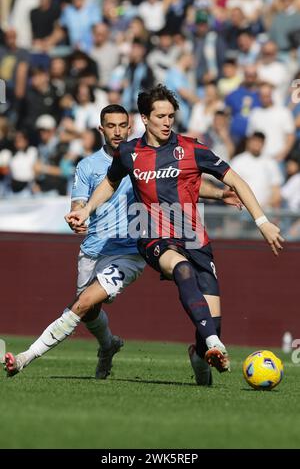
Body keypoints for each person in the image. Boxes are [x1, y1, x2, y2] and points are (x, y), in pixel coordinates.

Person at [3, 103, 241, 383]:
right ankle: (108, 345)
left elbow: (182, 185)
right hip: (94, 248)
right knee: (88, 310)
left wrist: (218, 193)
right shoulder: (88, 166)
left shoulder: (142, 156)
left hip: (131, 250)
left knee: (82, 304)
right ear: (101, 129)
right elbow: (80, 203)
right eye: (111, 126)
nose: (117, 132)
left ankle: (23, 359)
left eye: (122, 126)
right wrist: (79, 216)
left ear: (130, 127)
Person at [66, 85, 284, 386]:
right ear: (145, 118)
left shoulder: (191, 149)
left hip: (195, 238)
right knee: (181, 270)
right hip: (154, 236)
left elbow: (235, 179)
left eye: (171, 116)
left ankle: (200, 352)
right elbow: (110, 182)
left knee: (211, 324)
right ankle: (214, 345)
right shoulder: (130, 153)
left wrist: (262, 222)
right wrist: (88, 209)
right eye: (161, 116)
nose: (167, 122)